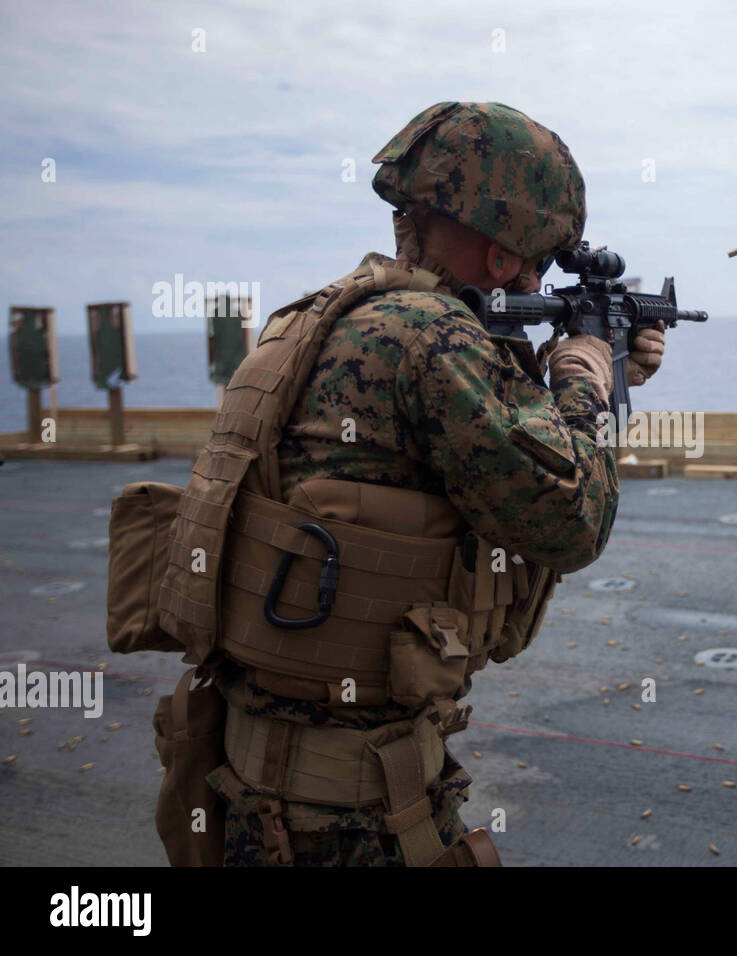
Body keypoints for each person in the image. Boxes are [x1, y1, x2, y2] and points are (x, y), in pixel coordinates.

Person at [157, 102, 666, 866]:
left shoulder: (319, 318)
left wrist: (576, 376)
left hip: (253, 787)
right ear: (503, 258)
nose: (537, 278)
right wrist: (587, 379)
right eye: (537, 259)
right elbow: (573, 520)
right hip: (351, 819)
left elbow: (439, 450)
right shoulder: (437, 339)